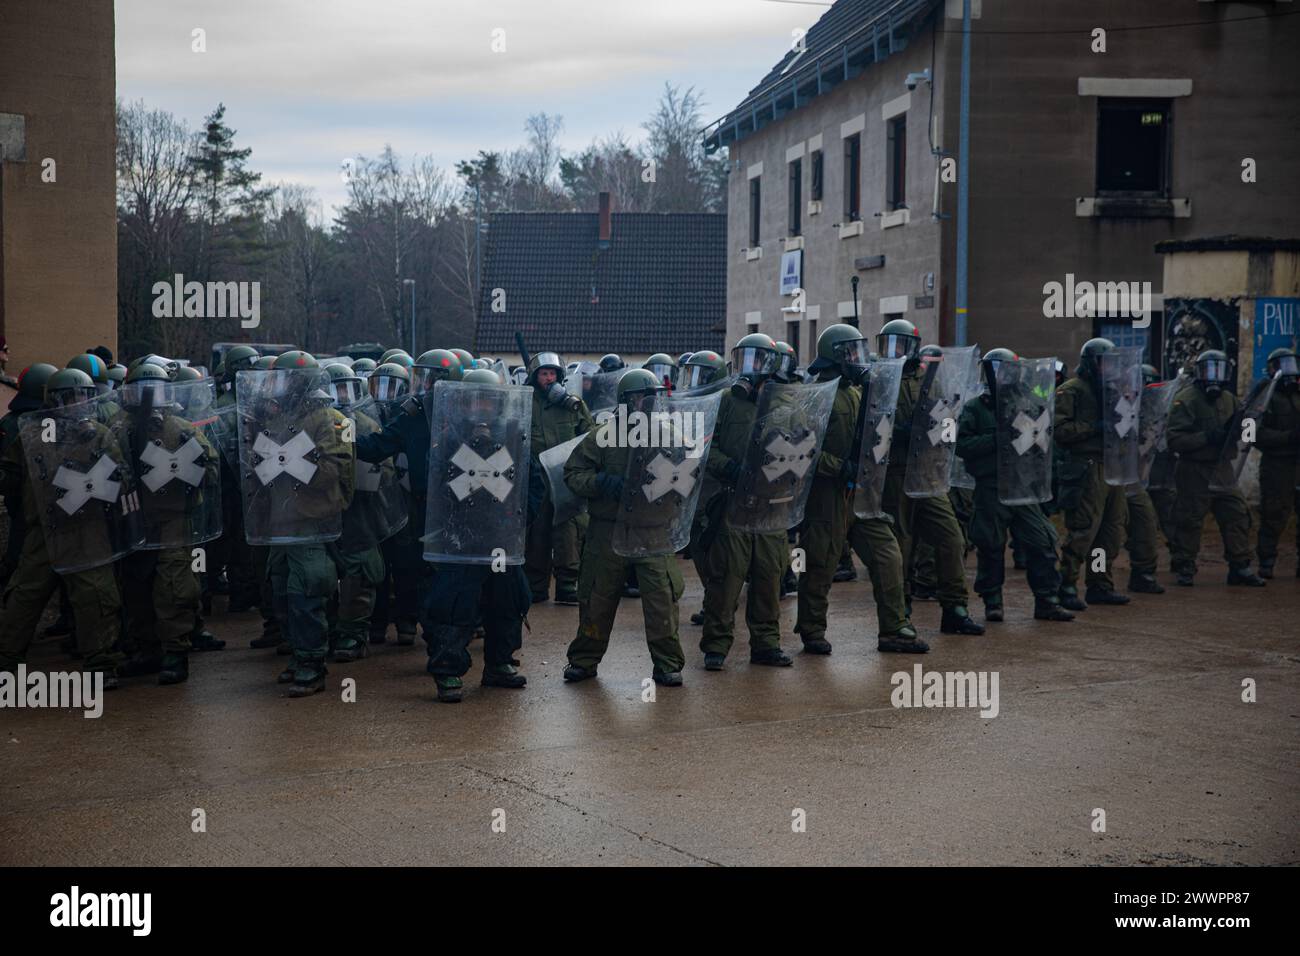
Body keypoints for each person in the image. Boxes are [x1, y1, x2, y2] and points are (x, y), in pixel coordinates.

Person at [795, 324, 927, 655]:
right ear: (836, 356)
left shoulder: (857, 392)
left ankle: (894, 627)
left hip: (863, 495)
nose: (859, 358)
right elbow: (801, 451)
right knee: (820, 563)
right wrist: (838, 466)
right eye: (852, 352)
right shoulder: (816, 395)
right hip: (827, 496)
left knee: (887, 553)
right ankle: (812, 630)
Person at [0, 368, 127, 686]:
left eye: (84, 396)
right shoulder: (29, 434)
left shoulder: (99, 433)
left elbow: (120, 478)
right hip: (44, 528)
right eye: (71, 397)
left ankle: (101, 663)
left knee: (95, 595)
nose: (79, 403)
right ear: (54, 400)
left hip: (86, 528)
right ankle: (7, 661)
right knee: (25, 596)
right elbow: (11, 477)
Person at [417, 367, 537, 702]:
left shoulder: (515, 437)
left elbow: (533, 487)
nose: (482, 408)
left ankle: (499, 664)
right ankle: (448, 671)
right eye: (476, 401)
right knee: (454, 603)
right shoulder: (448, 439)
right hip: (461, 539)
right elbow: (435, 487)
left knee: (509, 599)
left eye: (488, 402)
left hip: (500, 541)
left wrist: (516, 523)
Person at [562, 369, 689, 685]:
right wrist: (602, 483)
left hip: (652, 531)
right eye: (641, 397)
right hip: (608, 531)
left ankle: (667, 663)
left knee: (661, 600)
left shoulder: (671, 435)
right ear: (625, 401)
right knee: (596, 600)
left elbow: (688, 478)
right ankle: (584, 660)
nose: (648, 403)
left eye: (652, 397)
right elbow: (572, 474)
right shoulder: (603, 435)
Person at [247, 352, 356, 696]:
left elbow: (330, 472)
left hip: (310, 523)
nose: (276, 388)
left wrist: (286, 460)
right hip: (280, 522)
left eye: (283, 380)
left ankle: (312, 664)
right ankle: (298, 656)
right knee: (280, 592)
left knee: (306, 593)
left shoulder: (331, 420)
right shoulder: (280, 421)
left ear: (302, 383)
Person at [112, 364, 221, 684]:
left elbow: (211, 471)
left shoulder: (182, 429)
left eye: (154, 389)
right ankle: (147, 649)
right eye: (140, 390)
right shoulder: (118, 430)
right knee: (136, 586)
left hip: (174, 518)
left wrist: (186, 470)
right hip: (134, 520)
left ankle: (176, 651)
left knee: (174, 587)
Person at [876, 320, 983, 634]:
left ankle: (955, 607)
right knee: (901, 546)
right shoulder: (881, 380)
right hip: (896, 474)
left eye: (899, 344)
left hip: (928, 474)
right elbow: (872, 426)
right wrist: (900, 432)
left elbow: (947, 423)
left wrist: (938, 428)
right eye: (888, 344)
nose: (893, 351)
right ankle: (900, 610)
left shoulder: (930, 380)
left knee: (951, 538)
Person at [956, 349, 1074, 623]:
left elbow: (1044, 445)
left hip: (1022, 488)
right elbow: (960, 445)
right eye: (994, 368)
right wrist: (996, 439)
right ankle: (992, 601)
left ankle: (1047, 600)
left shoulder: (1029, 402)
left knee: (1043, 541)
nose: (1000, 374)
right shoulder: (976, 407)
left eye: (1005, 368)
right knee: (990, 546)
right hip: (991, 487)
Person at [699, 333, 794, 669]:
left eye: (757, 359)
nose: (749, 368)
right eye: (745, 359)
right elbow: (705, 449)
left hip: (771, 504)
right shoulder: (726, 400)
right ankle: (716, 644)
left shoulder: (787, 405)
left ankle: (766, 643)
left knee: (769, 575)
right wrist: (731, 468)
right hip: (733, 502)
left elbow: (801, 448)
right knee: (727, 577)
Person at [1166, 349, 1265, 587]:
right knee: (1189, 519)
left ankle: (1239, 566)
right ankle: (1185, 566)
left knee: (1237, 515)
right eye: (1208, 370)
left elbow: (1241, 431)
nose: (1214, 376)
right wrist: (1207, 437)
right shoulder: (1186, 399)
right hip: (1194, 470)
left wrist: (1242, 429)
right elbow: (1174, 440)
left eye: (1218, 370)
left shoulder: (1229, 399)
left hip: (1222, 469)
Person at [1054, 338, 1130, 609]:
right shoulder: (1071, 390)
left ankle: (1099, 584)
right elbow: (1059, 431)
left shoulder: (1114, 392)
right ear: (1091, 363)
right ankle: (1067, 585)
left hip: (1112, 469)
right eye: (1103, 363)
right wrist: (1093, 427)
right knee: (1083, 530)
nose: (1107, 368)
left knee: (1108, 533)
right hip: (1086, 468)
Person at [523, 350, 593, 605]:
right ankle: (536, 586)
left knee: (568, 533)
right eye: (544, 373)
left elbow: (591, 435)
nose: (549, 378)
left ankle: (566, 584)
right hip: (535, 479)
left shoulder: (573, 404)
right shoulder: (524, 402)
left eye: (553, 373)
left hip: (565, 478)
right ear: (535, 376)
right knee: (536, 534)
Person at [1256, 347, 1300, 578]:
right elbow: (1249, 434)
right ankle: (1266, 561)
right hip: (1277, 464)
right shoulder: (1264, 394)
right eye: (1283, 366)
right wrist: (1287, 437)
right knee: (1274, 514)